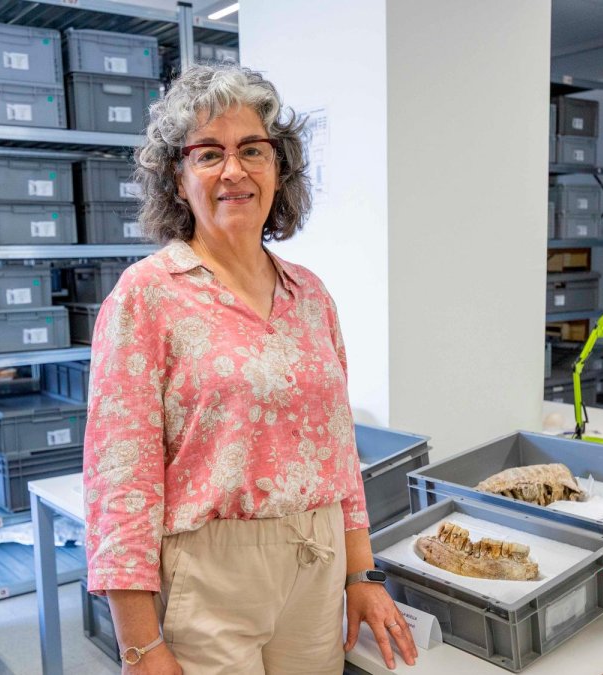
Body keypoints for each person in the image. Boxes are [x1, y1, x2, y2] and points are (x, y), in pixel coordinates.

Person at [83, 64, 418, 674]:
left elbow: (339, 453)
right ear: (177, 180)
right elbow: (119, 485)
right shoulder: (146, 297)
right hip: (212, 577)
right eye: (208, 154)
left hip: (317, 571)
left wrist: (361, 573)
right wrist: (139, 644)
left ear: (278, 169)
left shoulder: (309, 294)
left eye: (252, 150)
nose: (233, 170)